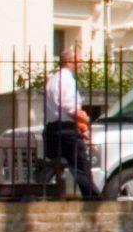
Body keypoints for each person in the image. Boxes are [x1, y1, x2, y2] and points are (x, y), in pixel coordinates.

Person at [42, 47, 101, 199]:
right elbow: (70, 108)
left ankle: (37, 193)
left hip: (51, 129)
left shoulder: (53, 79)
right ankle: (93, 198)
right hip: (66, 130)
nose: (81, 64)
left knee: (53, 166)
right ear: (69, 62)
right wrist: (85, 120)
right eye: (79, 61)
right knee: (80, 166)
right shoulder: (67, 80)